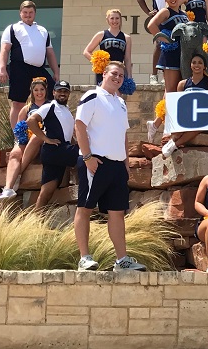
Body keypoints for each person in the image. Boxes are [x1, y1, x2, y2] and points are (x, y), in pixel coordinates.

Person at [74, 61, 148, 272]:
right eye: (114, 74)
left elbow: (123, 135)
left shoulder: (121, 103)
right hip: (95, 162)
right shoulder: (92, 96)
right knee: (85, 208)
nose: (118, 78)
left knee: (117, 212)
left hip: (116, 166)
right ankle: (84, 258)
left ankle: (122, 260)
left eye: (121, 76)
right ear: (104, 74)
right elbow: (79, 125)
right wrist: (87, 156)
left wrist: (125, 164)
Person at [0, 0, 59, 129]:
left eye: (31, 12)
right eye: (25, 12)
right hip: (19, 68)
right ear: (20, 13)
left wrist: (56, 72)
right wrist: (2, 69)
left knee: (53, 96)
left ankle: (47, 129)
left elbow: (50, 53)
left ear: (35, 14)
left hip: (39, 69)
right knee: (18, 103)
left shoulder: (43, 30)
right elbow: (4, 50)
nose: (28, 15)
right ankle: (17, 135)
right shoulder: (13, 28)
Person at [25, 81, 80, 208]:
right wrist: (45, 138)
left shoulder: (66, 111)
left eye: (65, 91)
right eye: (59, 91)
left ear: (68, 94)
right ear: (54, 92)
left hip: (60, 152)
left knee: (47, 190)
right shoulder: (49, 106)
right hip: (54, 150)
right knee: (85, 154)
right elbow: (31, 120)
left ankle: (37, 218)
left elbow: (69, 135)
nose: (62, 93)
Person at [0, 77, 49, 200]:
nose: (39, 92)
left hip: (44, 141)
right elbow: (19, 128)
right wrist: (21, 140)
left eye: (42, 89)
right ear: (32, 91)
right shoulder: (26, 109)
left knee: (36, 137)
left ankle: (18, 174)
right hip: (27, 139)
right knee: (15, 154)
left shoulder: (51, 106)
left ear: (46, 90)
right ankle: (8, 188)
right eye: (36, 90)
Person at [159, 53, 208, 158]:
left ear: (205, 66)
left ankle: (174, 144)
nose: (197, 65)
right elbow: (179, 104)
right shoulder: (182, 84)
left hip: (203, 118)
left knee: (201, 124)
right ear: (190, 65)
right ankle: (174, 138)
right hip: (187, 117)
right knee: (180, 124)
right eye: (194, 62)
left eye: (200, 63)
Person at [137, 0, 187, 84]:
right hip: (162, 18)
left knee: (180, 47)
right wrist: (149, 12)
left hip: (177, 19)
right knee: (160, 45)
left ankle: (168, 76)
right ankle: (154, 75)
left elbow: (188, 0)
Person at [147, 0, 190, 93]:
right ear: (165, 0)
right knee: (170, 90)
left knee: (181, 89)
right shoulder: (165, 12)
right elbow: (151, 25)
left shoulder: (184, 14)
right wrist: (164, 40)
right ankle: (164, 110)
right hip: (171, 55)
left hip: (183, 54)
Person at [83, 8, 133, 85]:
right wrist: (97, 62)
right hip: (104, 71)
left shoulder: (127, 38)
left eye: (117, 18)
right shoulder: (101, 34)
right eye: (112, 18)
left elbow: (127, 58)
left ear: (120, 19)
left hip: (118, 72)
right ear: (108, 20)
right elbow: (86, 52)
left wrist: (129, 75)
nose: (114, 21)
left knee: (117, 94)